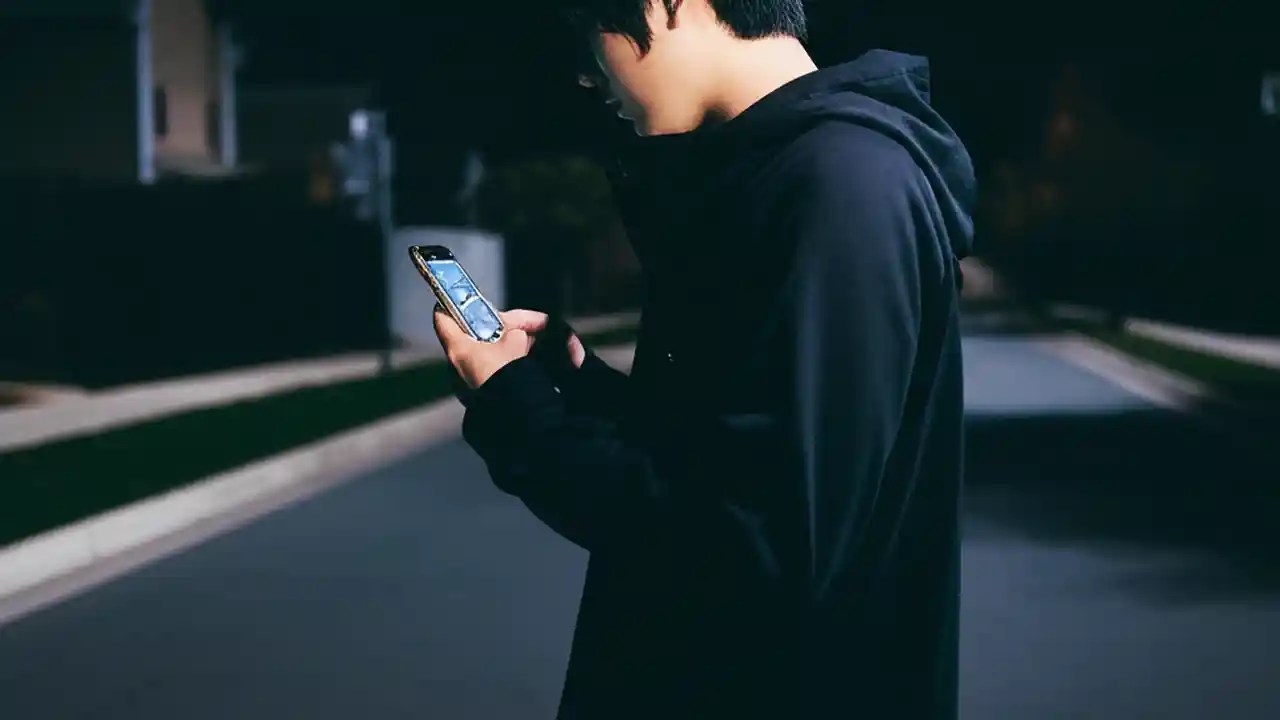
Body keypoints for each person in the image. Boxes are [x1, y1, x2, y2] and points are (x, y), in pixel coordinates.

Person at [432, 0, 975, 717]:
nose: (586, 75)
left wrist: (517, 411)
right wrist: (580, 383)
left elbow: (752, 548)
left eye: (590, 32)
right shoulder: (781, 175)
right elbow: (722, 454)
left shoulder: (841, 188)